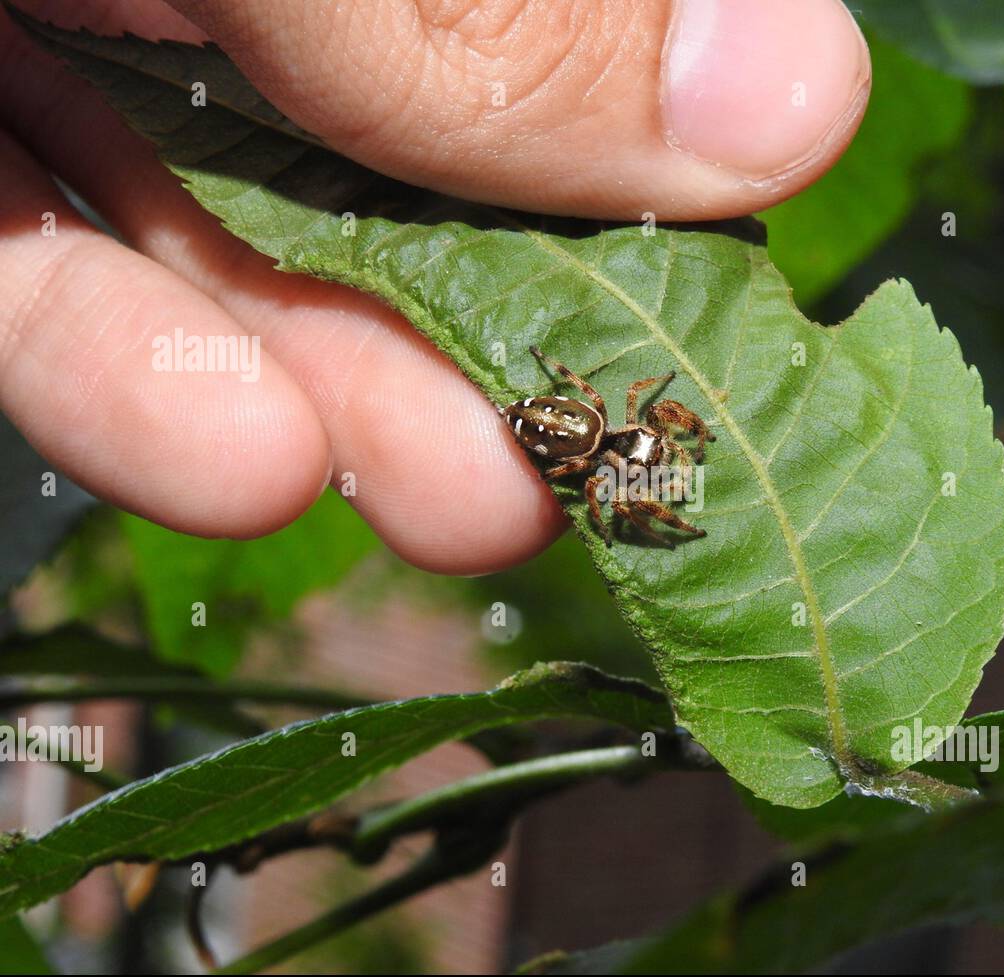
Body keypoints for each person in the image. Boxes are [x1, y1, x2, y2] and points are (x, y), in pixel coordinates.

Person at [0, 0, 870, 574]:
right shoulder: (610, 435)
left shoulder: (606, 438)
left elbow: (625, 421)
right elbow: (627, 419)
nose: (662, 450)